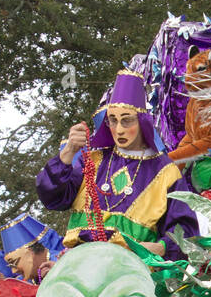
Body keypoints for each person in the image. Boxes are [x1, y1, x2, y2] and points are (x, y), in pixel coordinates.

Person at [36, 69, 199, 260]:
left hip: (131, 269)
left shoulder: (165, 171)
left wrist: (161, 247)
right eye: (113, 121)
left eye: (127, 121)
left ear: (142, 122)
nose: (119, 130)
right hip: (80, 264)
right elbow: (53, 198)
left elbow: (185, 233)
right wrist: (68, 152)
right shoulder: (92, 161)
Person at [0, 215, 65, 285]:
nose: (13, 271)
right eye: (11, 266)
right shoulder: (23, 281)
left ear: (30, 251)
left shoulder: (65, 261)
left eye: (14, 263)